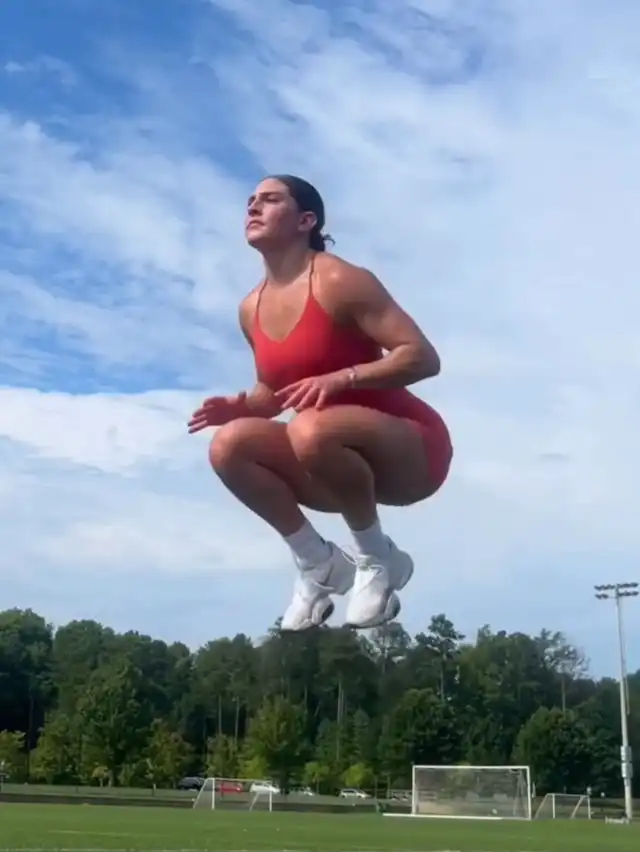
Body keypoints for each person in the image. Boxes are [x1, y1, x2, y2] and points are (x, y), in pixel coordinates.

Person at [188, 175, 453, 631]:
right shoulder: (250, 308)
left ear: (305, 220)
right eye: (250, 200)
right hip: (334, 463)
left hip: (412, 451)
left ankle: (377, 560)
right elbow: (274, 393)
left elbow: (422, 357)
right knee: (228, 446)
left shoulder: (339, 279)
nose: (253, 207)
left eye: (270, 200)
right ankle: (318, 563)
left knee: (309, 427)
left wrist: (342, 378)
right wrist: (240, 405)